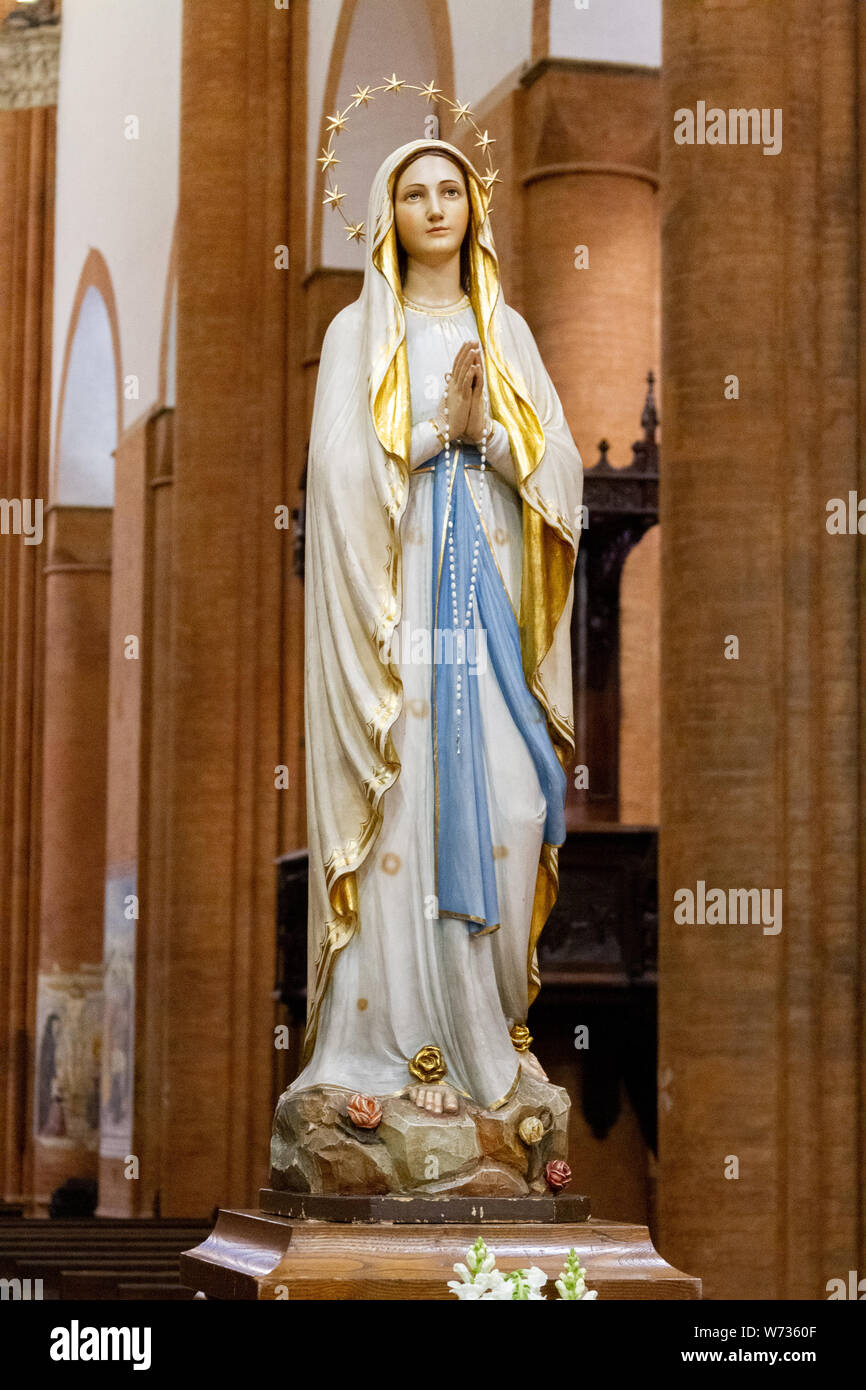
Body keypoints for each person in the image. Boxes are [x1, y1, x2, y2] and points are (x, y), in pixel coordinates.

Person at [290, 138, 582, 1114]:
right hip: (397, 621)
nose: (432, 206)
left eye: (447, 189)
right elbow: (333, 477)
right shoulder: (352, 335)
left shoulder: (508, 333)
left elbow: (563, 477)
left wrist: (485, 435)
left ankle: (488, 1033)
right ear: (388, 213)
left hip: (488, 608)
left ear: (472, 204)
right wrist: (427, 435)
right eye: (411, 191)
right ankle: (395, 1047)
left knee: (513, 799)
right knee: (403, 801)